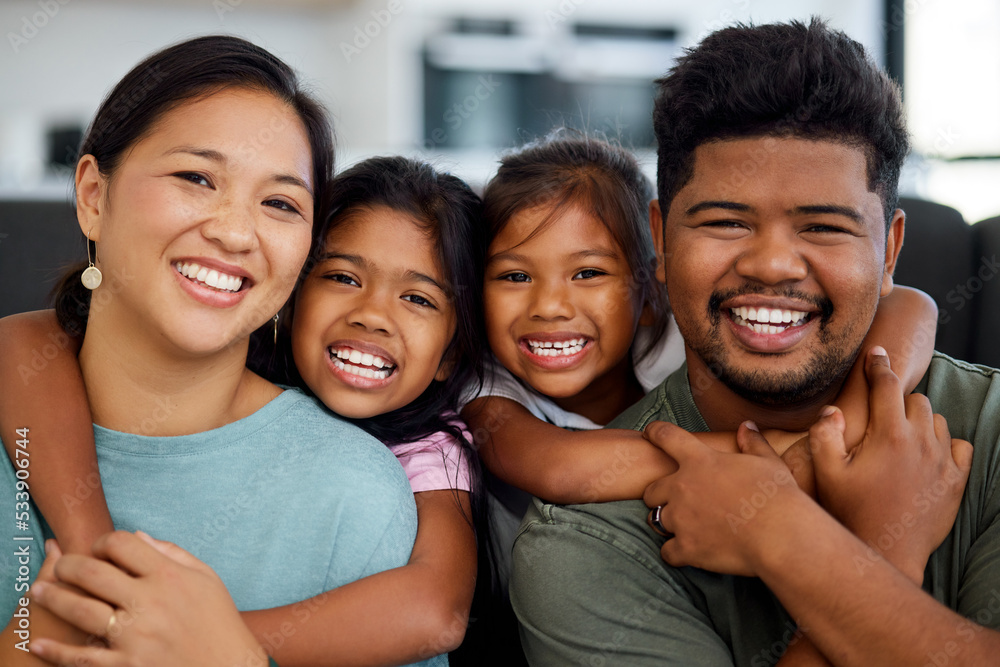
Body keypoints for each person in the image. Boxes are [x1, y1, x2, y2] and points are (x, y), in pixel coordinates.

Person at [510, 18, 1000, 665]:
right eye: (726, 221)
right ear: (661, 240)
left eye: (823, 227)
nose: (772, 265)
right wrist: (882, 548)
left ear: (889, 252)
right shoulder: (582, 542)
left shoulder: (991, 434)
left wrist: (782, 535)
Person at [0, 35, 440, 667]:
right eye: (196, 178)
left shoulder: (353, 494)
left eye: (281, 203)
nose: (235, 232)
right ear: (94, 196)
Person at [462, 132, 936, 661]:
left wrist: (849, 424)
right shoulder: (483, 390)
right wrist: (808, 456)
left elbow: (912, 307)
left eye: (589, 273)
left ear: (649, 293)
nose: (549, 305)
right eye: (515, 275)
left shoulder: (687, 332)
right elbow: (562, 468)